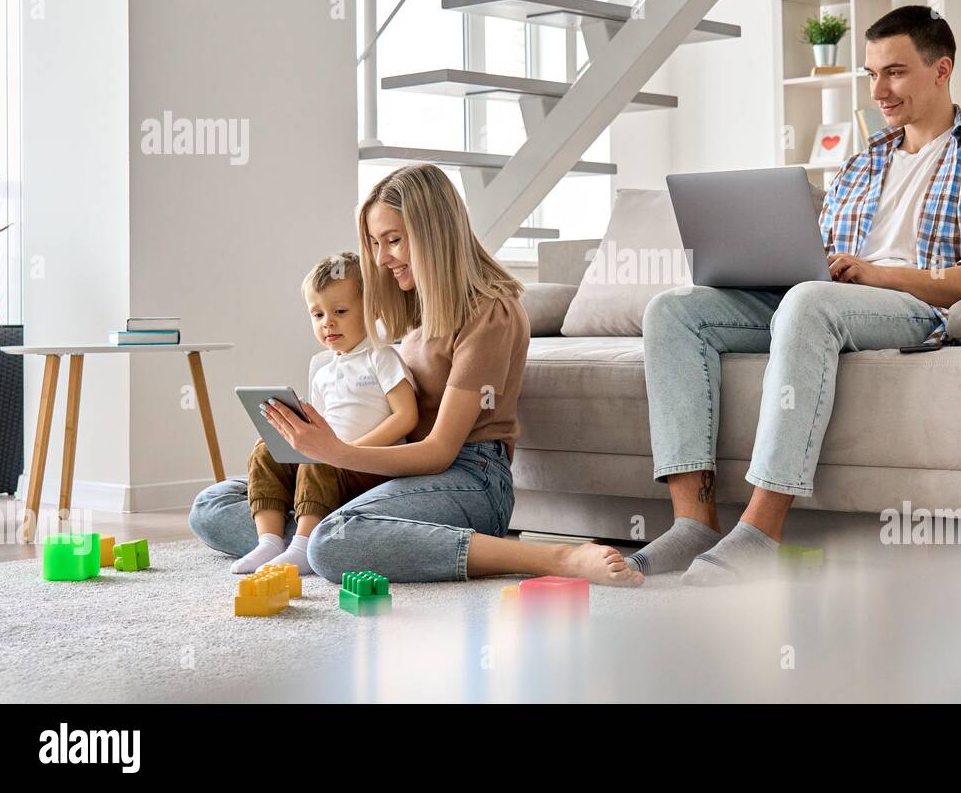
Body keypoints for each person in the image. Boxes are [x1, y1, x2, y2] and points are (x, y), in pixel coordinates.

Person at [624, 4, 961, 585]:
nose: (879, 90)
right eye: (871, 74)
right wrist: (773, 263)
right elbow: (814, 255)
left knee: (809, 303)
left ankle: (762, 532)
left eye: (894, 72)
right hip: (824, 293)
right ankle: (694, 525)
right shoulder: (862, 161)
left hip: (915, 307)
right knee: (673, 310)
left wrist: (877, 274)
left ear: (941, 69)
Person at [190, 164, 641, 586]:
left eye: (393, 240)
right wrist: (308, 447)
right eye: (374, 242)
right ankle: (324, 538)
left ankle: (553, 559)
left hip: (470, 476)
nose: (382, 257)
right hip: (395, 474)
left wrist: (336, 452)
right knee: (212, 505)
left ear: (433, 233)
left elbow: (439, 453)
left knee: (334, 542)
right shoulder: (413, 307)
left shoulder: (492, 312)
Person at [230, 251, 418, 576]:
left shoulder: (381, 357)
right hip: (332, 464)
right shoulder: (322, 372)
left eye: (340, 312)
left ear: (371, 310)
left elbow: (406, 417)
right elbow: (320, 428)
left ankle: (303, 546)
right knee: (264, 452)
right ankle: (269, 542)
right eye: (317, 315)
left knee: (319, 459)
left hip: (369, 466)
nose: (327, 322)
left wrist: (349, 452)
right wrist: (290, 437)